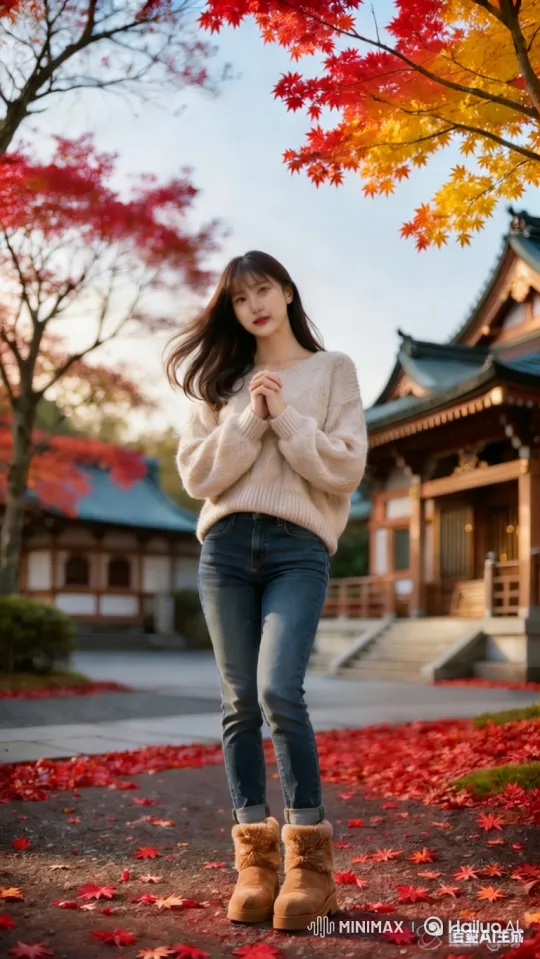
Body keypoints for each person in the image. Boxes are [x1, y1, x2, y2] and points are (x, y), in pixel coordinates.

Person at [165, 250, 368, 932]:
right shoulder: (218, 383)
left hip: (297, 548)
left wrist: (285, 416)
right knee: (238, 701)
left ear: (286, 290)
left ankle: (310, 864)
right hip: (224, 549)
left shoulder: (334, 368)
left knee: (280, 688)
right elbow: (198, 475)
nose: (254, 304)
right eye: (239, 297)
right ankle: (255, 861)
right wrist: (248, 417)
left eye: (263, 289)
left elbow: (344, 468)